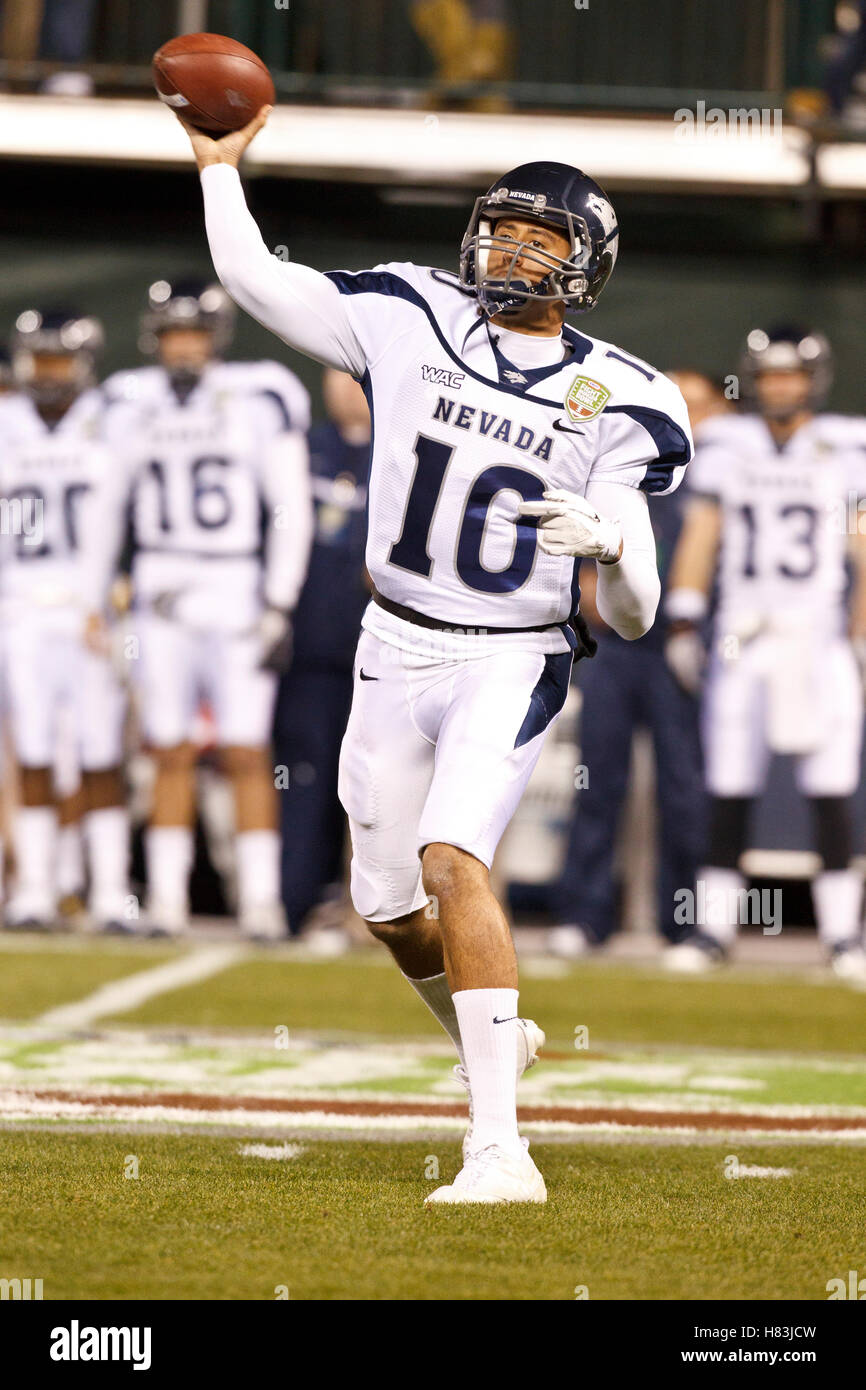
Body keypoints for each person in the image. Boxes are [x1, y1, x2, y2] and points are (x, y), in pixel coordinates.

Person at [175, 103, 692, 1204]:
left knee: (452, 858)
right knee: (385, 903)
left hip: (508, 654)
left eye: (541, 237)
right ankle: (495, 1039)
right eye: (501, 227)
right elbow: (259, 281)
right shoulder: (409, 311)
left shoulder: (623, 397)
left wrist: (616, 551)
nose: (511, 250)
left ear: (584, 263)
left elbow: (636, 615)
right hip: (391, 640)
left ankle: (498, 1147)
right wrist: (219, 169)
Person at [99, 279, 313, 940]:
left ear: (215, 337)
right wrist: (99, 599)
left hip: (233, 582)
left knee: (247, 749)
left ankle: (261, 901)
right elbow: (109, 512)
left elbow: (289, 508)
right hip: (161, 583)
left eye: (193, 331)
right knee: (168, 748)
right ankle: (165, 899)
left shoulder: (258, 395)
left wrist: (279, 600)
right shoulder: (128, 402)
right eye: (172, 332)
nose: (183, 345)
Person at [666, 327, 866, 985]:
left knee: (832, 784)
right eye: (771, 375)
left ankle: (842, 935)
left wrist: (860, 634)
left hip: (818, 634)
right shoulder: (728, 443)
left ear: (813, 379)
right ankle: (713, 929)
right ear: (756, 379)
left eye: (791, 375)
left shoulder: (846, 445)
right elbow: (704, 532)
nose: (781, 386)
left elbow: (861, 546)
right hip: (741, 634)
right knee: (728, 782)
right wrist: (685, 617)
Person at [550, 371, 728, 960]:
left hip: (683, 650)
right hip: (619, 647)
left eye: (699, 405)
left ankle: (685, 924)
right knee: (598, 781)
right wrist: (583, 587)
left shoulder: (727, 476)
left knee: (684, 789)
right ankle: (585, 915)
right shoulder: (624, 461)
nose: (688, 418)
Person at [0, 308, 129, 931]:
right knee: (31, 751)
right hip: (20, 609)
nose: (48, 372)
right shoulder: (5, 421)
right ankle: (33, 890)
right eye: (39, 358)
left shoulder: (112, 419)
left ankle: (108, 894)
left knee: (101, 751)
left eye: (59, 359)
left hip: (88, 611)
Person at [274, 368, 372, 946]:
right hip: (310, 647)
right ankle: (294, 902)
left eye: (355, 378)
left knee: (370, 787)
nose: (345, 390)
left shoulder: (401, 445)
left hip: (379, 650)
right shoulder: (304, 449)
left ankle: (367, 910)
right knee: (304, 776)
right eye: (335, 377)